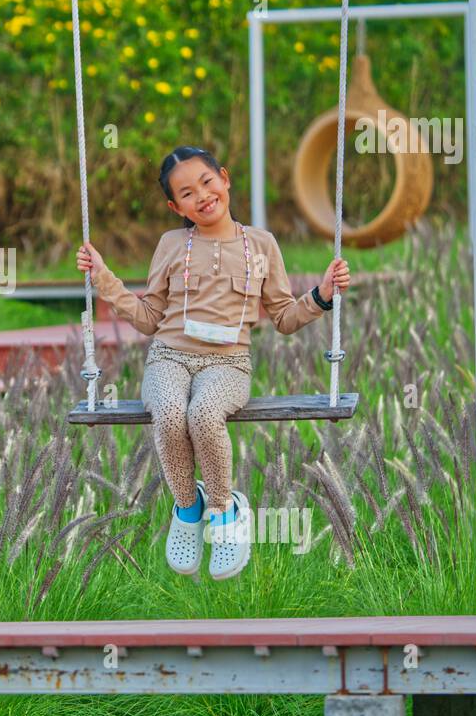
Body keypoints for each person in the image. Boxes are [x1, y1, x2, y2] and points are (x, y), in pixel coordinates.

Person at [77, 146, 349, 581]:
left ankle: (224, 512)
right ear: (174, 206)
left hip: (228, 363)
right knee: (167, 412)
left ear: (224, 179)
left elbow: (282, 317)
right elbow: (149, 318)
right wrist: (103, 278)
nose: (202, 196)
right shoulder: (171, 245)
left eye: (207, 182)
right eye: (186, 193)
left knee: (203, 414)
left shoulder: (261, 244)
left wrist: (321, 296)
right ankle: (188, 509)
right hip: (169, 355)